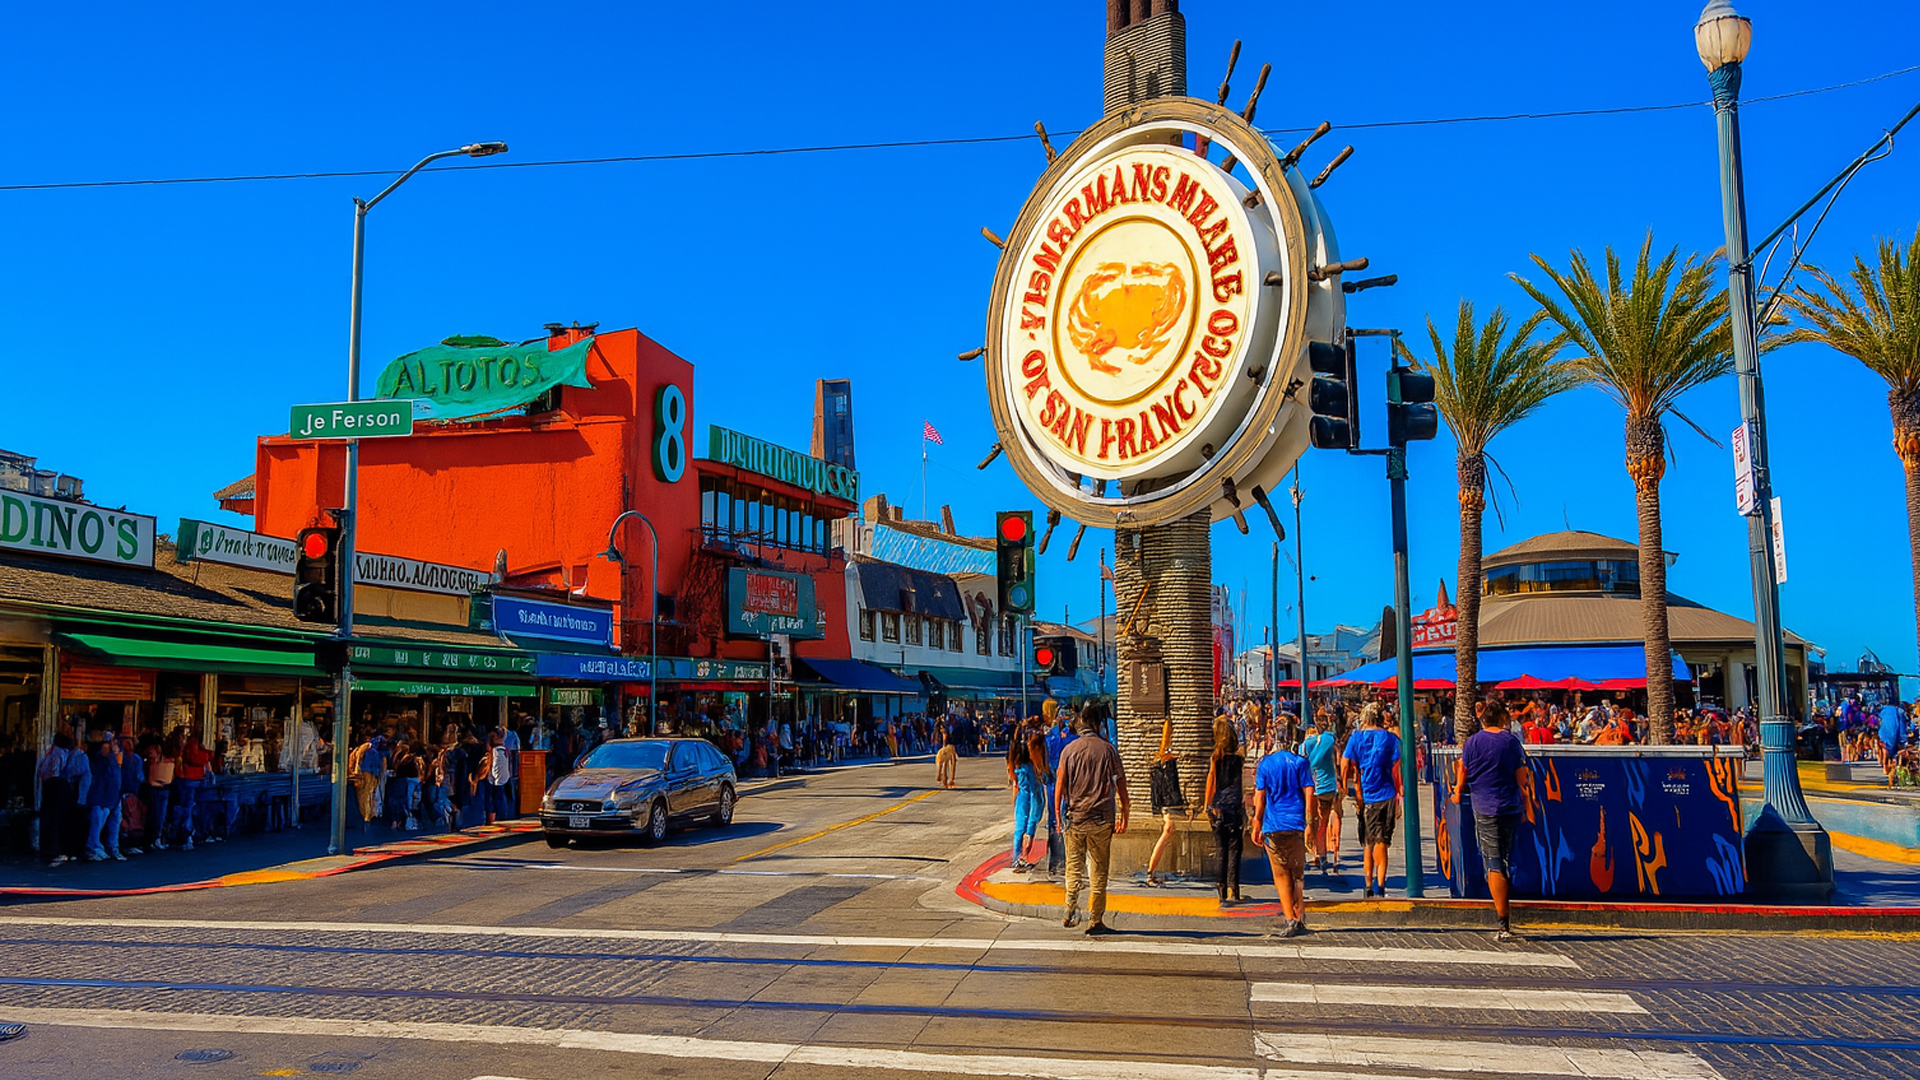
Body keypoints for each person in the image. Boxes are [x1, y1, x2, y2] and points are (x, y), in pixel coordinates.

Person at [1454, 700, 1531, 942]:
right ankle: (1506, 911)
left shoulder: (1473, 743)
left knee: (1494, 862)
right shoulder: (1511, 742)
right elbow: (1522, 778)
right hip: (1509, 805)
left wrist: (1456, 792)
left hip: (1484, 806)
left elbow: (1462, 774)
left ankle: (1503, 920)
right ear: (1501, 718)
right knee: (1506, 859)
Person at [1053, 707, 1128, 936]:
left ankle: (1070, 909)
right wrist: (1126, 812)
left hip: (1075, 819)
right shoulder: (1109, 750)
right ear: (1098, 724)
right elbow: (1121, 784)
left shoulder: (1069, 750)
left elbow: (1060, 784)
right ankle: (1095, 919)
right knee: (1098, 869)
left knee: (1073, 868)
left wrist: (1057, 813)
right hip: (1101, 820)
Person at [1254, 725, 1315, 937]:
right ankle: (1299, 916)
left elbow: (1260, 797)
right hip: (1296, 823)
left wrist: (1256, 823)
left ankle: (1290, 918)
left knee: (1280, 874)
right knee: (1297, 874)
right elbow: (1309, 794)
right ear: (1293, 738)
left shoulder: (1266, 764)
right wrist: (1310, 824)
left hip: (1274, 825)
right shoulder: (1300, 763)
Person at [1341, 703, 1402, 899]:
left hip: (1366, 795)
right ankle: (1381, 884)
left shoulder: (1356, 737)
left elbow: (1344, 764)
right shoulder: (1390, 738)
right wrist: (1400, 795)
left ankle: (1367, 884)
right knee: (1382, 841)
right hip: (1386, 793)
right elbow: (1397, 767)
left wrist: (1344, 785)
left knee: (1368, 841)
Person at [1203, 719, 1246, 904]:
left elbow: (1211, 781)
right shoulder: (1239, 758)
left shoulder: (1215, 757)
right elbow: (1241, 784)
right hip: (1235, 806)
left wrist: (1207, 805)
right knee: (1235, 849)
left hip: (1219, 806)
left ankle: (1220, 889)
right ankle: (1234, 888)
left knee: (1221, 849)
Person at [1143, 717, 1188, 887]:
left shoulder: (1160, 760)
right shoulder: (1167, 760)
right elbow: (1171, 785)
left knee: (1169, 831)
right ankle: (1150, 871)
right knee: (1168, 831)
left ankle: (1152, 871)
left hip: (1164, 803)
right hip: (1169, 803)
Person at [1298, 719, 1340, 871]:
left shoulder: (1304, 747)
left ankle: (1308, 852)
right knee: (1323, 822)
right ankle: (1322, 855)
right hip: (1328, 788)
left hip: (1312, 788)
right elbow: (1339, 758)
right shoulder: (1329, 741)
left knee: (1309, 820)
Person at [1006, 722, 1048, 871]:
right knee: (1030, 826)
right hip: (1032, 795)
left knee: (1020, 828)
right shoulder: (1031, 761)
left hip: (1022, 795)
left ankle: (1017, 858)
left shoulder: (1015, 758)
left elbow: (1014, 782)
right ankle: (1022, 857)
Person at [37, 732, 74, 866]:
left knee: (49, 818)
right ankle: (55, 850)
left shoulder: (50, 752)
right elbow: (55, 771)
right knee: (57, 818)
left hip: (49, 785)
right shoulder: (59, 753)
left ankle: (48, 849)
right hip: (56, 785)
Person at [347, 733, 384, 829]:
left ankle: (366, 816)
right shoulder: (373, 747)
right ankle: (368, 816)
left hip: (365, 773)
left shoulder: (365, 747)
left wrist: (356, 770)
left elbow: (359, 758)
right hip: (371, 773)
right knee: (369, 795)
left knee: (364, 795)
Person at [1878, 702, 1910, 788]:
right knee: (1895, 756)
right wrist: (1904, 740)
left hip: (1883, 736)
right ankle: (1893, 775)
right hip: (1894, 737)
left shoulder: (1883, 711)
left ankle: (1886, 769)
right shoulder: (1900, 712)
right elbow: (1902, 729)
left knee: (1886, 752)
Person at [935, 722, 959, 789]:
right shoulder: (947, 732)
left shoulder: (939, 733)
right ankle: (948, 779)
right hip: (948, 748)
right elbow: (945, 740)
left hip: (943, 749)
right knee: (949, 765)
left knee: (943, 764)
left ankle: (942, 777)